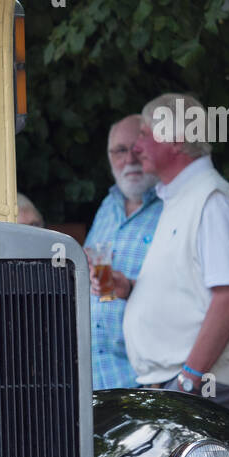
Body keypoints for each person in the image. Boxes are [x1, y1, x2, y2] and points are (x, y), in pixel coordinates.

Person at [107, 92, 229, 415]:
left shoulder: (212, 200)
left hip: (199, 385)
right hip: (179, 384)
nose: (137, 147)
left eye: (144, 134)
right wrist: (129, 288)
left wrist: (189, 379)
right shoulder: (180, 198)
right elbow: (189, 288)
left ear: (177, 138)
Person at [84, 114, 162, 389]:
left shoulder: (172, 205)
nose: (129, 160)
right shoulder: (108, 205)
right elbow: (96, 276)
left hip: (147, 380)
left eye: (137, 149)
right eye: (120, 150)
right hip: (95, 377)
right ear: (108, 157)